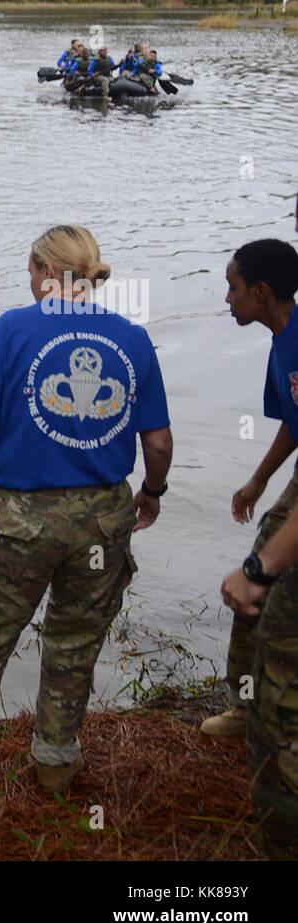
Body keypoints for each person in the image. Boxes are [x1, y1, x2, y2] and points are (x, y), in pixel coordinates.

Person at [0, 225, 172, 811]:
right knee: (74, 643)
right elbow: (157, 441)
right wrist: (153, 491)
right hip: (103, 518)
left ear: (40, 269)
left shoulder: (12, 328)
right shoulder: (132, 338)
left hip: (19, 518)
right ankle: (56, 763)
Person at [219, 238, 298, 860]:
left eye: (233, 287)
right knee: (264, 547)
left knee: (266, 577)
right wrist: (260, 478)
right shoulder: (281, 340)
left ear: (261, 293)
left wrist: (261, 568)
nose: (227, 298)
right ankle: (243, 702)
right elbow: (296, 422)